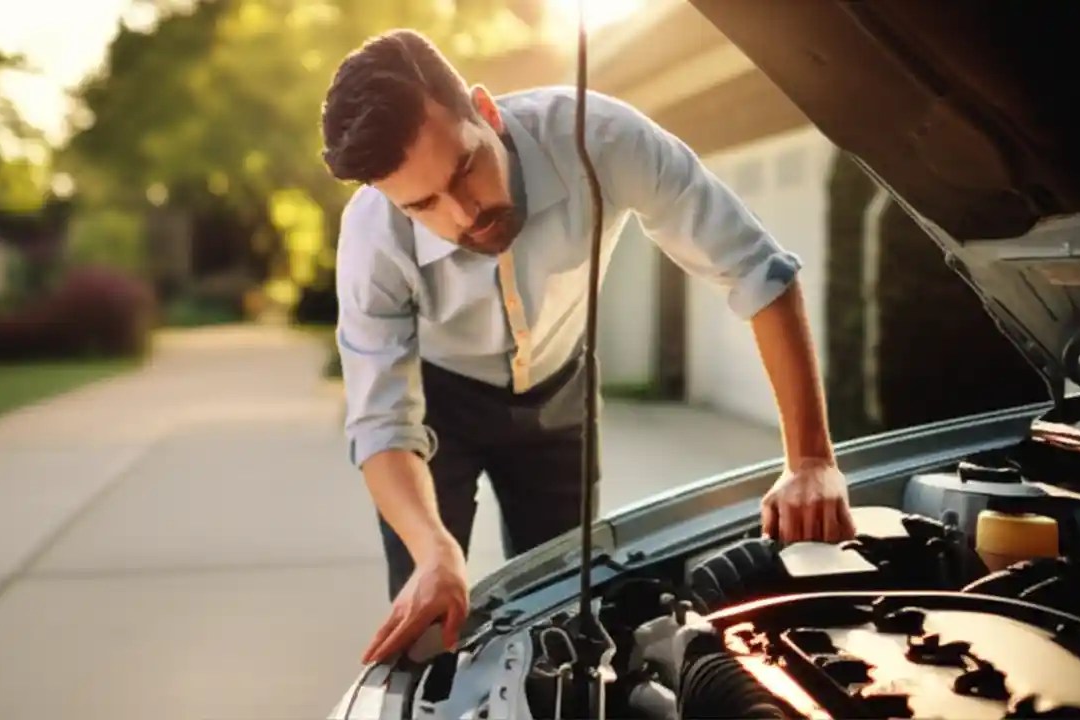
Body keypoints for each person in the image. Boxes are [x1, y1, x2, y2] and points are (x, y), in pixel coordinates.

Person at [319, 29, 855, 665]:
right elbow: (381, 424)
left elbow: (757, 270)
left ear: (486, 113)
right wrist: (434, 549)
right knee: (429, 635)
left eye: (465, 168)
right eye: (423, 204)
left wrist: (811, 460)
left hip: (560, 392)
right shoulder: (371, 238)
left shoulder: (600, 138)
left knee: (567, 629)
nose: (463, 214)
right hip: (438, 411)